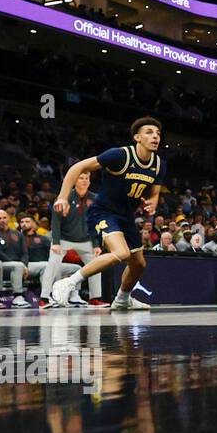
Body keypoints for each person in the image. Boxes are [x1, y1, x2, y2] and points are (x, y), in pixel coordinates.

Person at [50, 117, 165, 310]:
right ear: (137, 137)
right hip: (103, 211)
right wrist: (62, 197)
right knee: (121, 252)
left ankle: (122, 300)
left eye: (158, 133)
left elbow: (154, 193)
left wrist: (151, 205)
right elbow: (78, 167)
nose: (155, 136)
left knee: (139, 264)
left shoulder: (160, 164)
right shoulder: (119, 155)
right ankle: (68, 282)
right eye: (149, 132)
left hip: (126, 215)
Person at [44, 169, 104, 305]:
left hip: (86, 240)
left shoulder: (94, 198)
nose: (84, 181)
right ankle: (44, 297)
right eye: (81, 178)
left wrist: (95, 244)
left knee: (96, 265)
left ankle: (95, 298)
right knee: (52, 265)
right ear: (74, 181)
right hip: (64, 239)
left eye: (86, 178)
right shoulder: (64, 197)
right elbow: (55, 221)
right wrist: (56, 241)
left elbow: (95, 222)